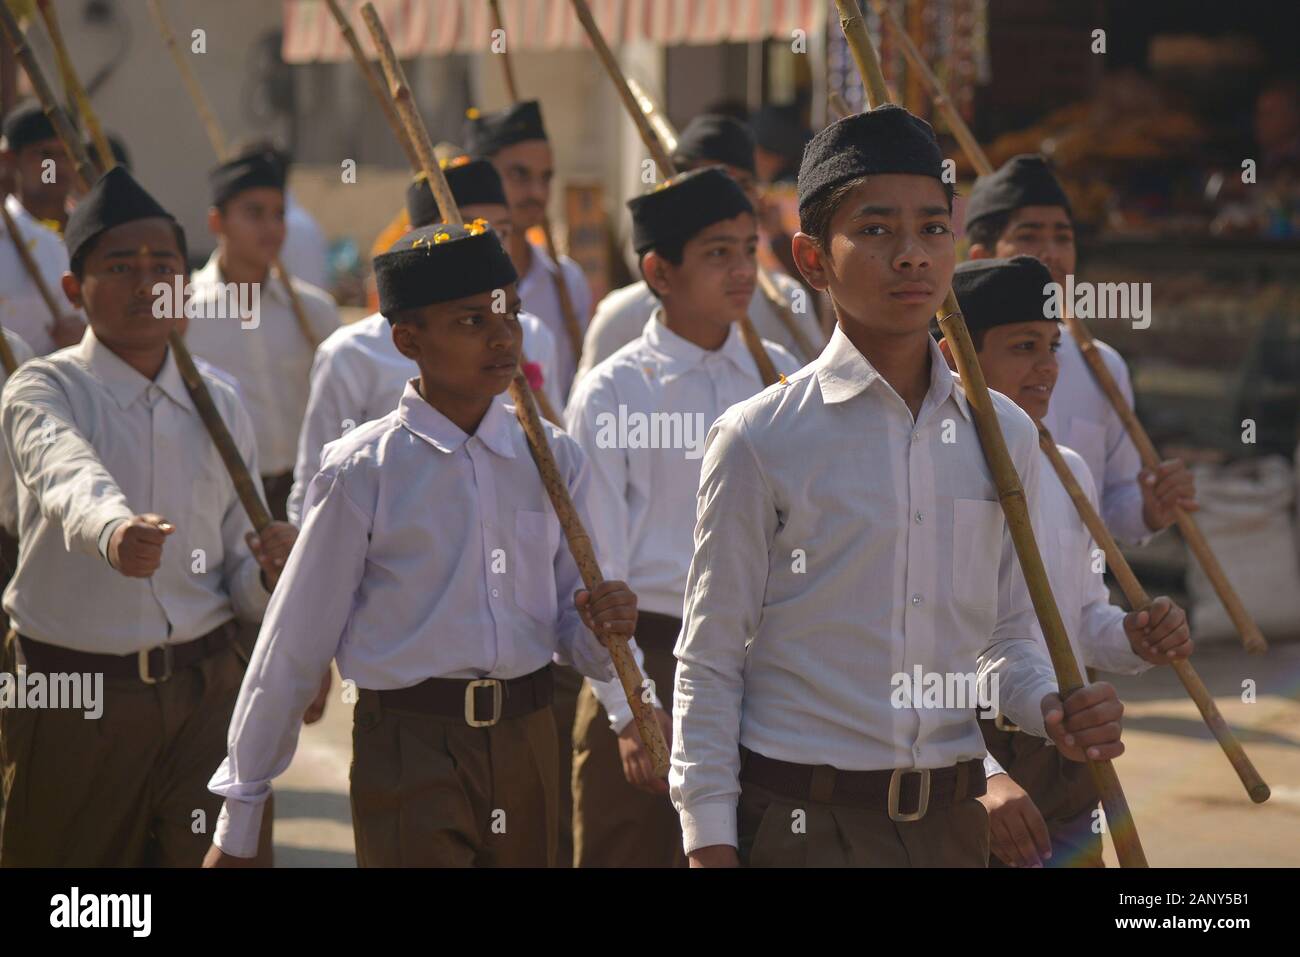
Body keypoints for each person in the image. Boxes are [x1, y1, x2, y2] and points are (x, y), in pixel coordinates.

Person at [671, 105, 1126, 868]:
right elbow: (710, 658)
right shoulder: (760, 438)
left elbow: (1007, 639)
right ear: (813, 260)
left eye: (933, 228)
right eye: (876, 230)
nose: (912, 255)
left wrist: (1049, 706)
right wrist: (708, 839)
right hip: (805, 824)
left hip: (952, 826)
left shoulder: (1005, 435)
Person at [205, 220, 640, 867]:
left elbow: (567, 627)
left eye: (510, 315)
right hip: (412, 746)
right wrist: (241, 807)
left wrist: (605, 634)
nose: (502, 337)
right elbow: (293, 639)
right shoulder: (363, 469)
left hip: (528, 738)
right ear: (408, 339)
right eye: (471, 321)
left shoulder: (552, 456)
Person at [0, 167, 296, 866]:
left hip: (204, 693)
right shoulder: (45, 386)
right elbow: (62, 468)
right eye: (120, 266)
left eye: (162, 265)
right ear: (76, 289)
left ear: (182, 285)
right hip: (74, 695)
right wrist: (112, 529)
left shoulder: (220, 401)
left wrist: (270, 568)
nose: (145, 282)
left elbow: (237, 573)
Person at [566, 167, 800, 867]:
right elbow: (594, 566)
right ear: (658, 272)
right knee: (629, 848)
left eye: (747, 248)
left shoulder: (781, 378)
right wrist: (629, 705)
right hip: (649, 656)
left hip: (759, 662)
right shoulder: (614, 391)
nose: (741, 271)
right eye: (716, 253)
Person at [942, 256, 1192, 868]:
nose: (1048, 367)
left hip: (1060, 743)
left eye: (1053, 346)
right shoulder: (928, 472)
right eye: (1024, 347)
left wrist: (1134, 637)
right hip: (957, 753)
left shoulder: (1068, 470)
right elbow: (914, 652)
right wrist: (984, 774)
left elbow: (1078, 618)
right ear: (955, 356)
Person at [286, 156, 562, 526]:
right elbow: (314, 499)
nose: (487, 251)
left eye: (502, 233)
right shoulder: (350, 355)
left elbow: (552, 470)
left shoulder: (533, 337)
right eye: (468, 230)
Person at [964, 154, 1196, 545]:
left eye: (1062, 237)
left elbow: (1112, 507)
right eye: (1029, 236)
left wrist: (1148, 509)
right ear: (980, 257)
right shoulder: (954, 366)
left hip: (1077, 599)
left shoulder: (1102, 367)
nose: (1051, 253)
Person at [575, 114, 820, 381]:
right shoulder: (621, 319)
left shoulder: (786, 303)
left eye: (743, 186)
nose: (728, 199)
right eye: (712, 183)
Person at [184, 148, 340, 521]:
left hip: (304, 494)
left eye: (278, 214)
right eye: (254, 214)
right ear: (217, 222)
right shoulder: (183, 311)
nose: (271, 228)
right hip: (220, 497)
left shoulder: (313, 309)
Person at [466, 101, 591, 398]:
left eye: (545, 178)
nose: (537, 193)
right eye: (520, 175)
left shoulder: (566, 280)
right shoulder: (455, 287)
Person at [0, 101, 84, 352]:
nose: (57, 166)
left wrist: (87, 342)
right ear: (10, 159)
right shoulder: (4, 235)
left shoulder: (97, 239)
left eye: (66, 154)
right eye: (46, 154)